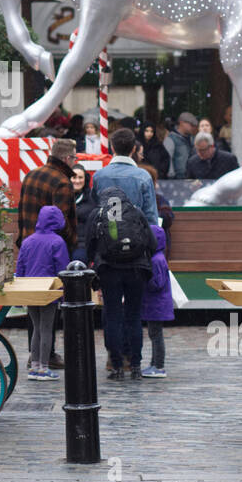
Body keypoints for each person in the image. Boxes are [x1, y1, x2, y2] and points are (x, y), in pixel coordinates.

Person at [84, 182, 155, 380]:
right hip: (136, 270)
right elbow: (152, 242)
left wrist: (95, 262)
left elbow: (89, 244)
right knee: (133, 317)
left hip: (109, 270)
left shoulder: (98, 214)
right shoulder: (136, 212)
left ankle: (116, 366)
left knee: (112, 316)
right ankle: (135, 365)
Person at [14, 205, 69, 381]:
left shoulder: (28, 241)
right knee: (47, 329)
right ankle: (44, 367)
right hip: (49, 291)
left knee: (36, 328)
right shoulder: (58, 242)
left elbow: (20, 267)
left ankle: (35, 366)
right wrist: (64, 293)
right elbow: (63, 270)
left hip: (30, 290)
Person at [16, 138, 77, 250]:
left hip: (28, 243)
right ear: (67, 158)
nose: (75, 162)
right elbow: (60, 222)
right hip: (50, 249)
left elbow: (21, 212)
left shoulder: (31, 174)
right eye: (75, 158)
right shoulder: (62, 182)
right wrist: (72, 239)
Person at [92, 128, 159, 225]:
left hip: (105, 234)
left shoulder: (98, 176)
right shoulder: (143, 176)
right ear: (134, 149)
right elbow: (150, 215)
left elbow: (94, 209)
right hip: (136, 235)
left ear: (112, 148)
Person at [141, 225, 173, 377]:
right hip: (156, 305)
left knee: (156, 335)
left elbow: (156, 283)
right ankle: (154, 364)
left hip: (156, 305)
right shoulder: (158, 257)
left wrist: (143, 279)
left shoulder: (155, 260)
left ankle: (158, 366)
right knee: (155, 335)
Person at [70, 163, 96, 262]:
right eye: (74, 177)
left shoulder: (91, 198)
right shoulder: (61, 197)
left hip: (82, 244)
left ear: (85, 179)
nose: (77, 181)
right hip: (63, 243)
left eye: (80, 177)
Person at [168, 113, 198, 178]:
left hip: (192, 177)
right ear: (181, 123)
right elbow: (168, 159)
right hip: (177, 178)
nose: (193, 127)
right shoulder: (171, 138)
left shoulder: (193, 139)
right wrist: (171, 177)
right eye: (191, 125)